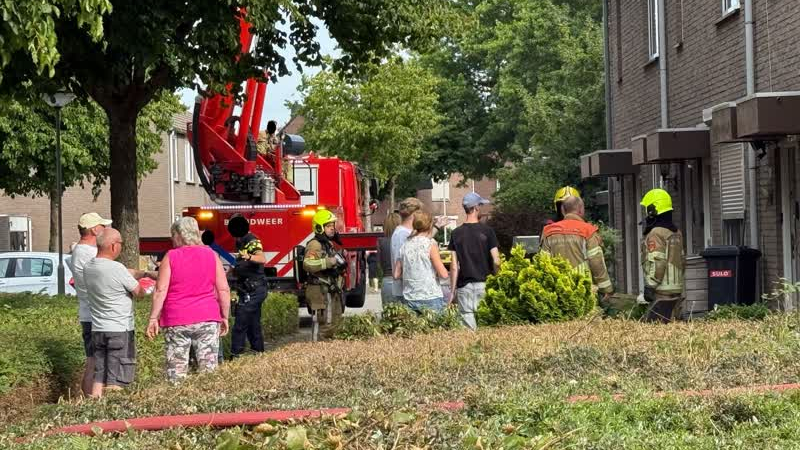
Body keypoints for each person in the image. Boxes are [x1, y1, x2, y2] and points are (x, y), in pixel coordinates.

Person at [145, 217, 231, 382]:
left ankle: (178, 404)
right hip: (207, 317)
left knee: (176, 371)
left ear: (178, 235)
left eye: (172, 235)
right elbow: (223, 289)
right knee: (209, 370)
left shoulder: (170, 257)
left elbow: (160, 290)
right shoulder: (212, 255)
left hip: (176, 319)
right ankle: (209, 404)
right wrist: (224, 316)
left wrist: (153, 318)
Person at [84, 228, 146, 398]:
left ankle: (94, 407)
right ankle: (112, 413)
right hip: (119, 329)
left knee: (100, 374)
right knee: (116, 377)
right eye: (120, 243)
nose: (121, 247)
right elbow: (139, 292)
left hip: (98, 328)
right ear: (113, 246)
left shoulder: (88, 267)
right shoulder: (117, 268)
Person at [69, 212, 112, 396]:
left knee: (93, 359)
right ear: (94, 230)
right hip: (96, 315)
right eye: (102, 226)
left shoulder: (79, 251)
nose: (105, 229)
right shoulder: (88, 254)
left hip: (88, 313)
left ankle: (89, 399)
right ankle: (91, 400)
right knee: (95, 361)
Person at [540, 196, 614, 298]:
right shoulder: (588, 230)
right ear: (580, 209)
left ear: (563, 210)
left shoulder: (549, 231)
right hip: (582, 288)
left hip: (556, 289)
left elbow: (543, 262)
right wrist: (606, 289)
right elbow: (596, 262)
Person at [448, 193, 501, 330]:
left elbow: (454, 266)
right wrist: (497, 280)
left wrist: (452, 291)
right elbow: (496, 261)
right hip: (484, 283)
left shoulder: (456, 233)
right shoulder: (488, 231)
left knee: (468, 330)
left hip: (464, 286)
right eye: (481, 205)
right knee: (486, 326)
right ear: (476, 207)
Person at [640, 188, 685, 323]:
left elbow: (658, 261)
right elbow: (682, 260)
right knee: (674, 326)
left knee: (656, 326)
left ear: (653, 210)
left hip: (661, 291)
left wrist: (650, 285)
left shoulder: (656, 233)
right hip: (676, 289)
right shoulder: (676, 232)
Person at [226, 214, 268, 357]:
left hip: (255, 289)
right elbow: (237, 265)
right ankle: (259, 353)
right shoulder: (240, 242)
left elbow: (262, 258)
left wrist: (249, 257)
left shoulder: (252, 241)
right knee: (253, 324)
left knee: (240, 323)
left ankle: (235, 355)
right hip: (248, 289)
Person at [303, 209, 347, 340]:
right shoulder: (314, 244)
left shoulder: (327, 243)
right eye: (328, 226)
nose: (332, 229)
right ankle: (317, 352)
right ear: (319, 227)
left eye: (333, 225)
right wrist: (329, 261)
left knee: (334, 323)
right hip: (319, 291)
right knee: (323, 324)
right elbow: (308, 264)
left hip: (329, 289)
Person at [394, 211, 449, 313]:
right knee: (434, 328)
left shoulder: (405, 245)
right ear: (429, 225)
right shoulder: (430, 244)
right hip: (430, 296)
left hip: (410, 297)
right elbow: (444, 274)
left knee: (414, 329)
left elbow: (396, 275)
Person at [391, 198, 423, 301]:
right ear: (415, 214)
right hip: (405, 292)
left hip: (407, 290)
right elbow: (400, 261)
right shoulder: (403, 234)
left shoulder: (402, 232)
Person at [378, 212, 401, 306]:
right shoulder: (404, 239)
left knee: (389, 315)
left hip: (387, 280)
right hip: (401, 280)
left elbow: (379, 263)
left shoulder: (380, 241)